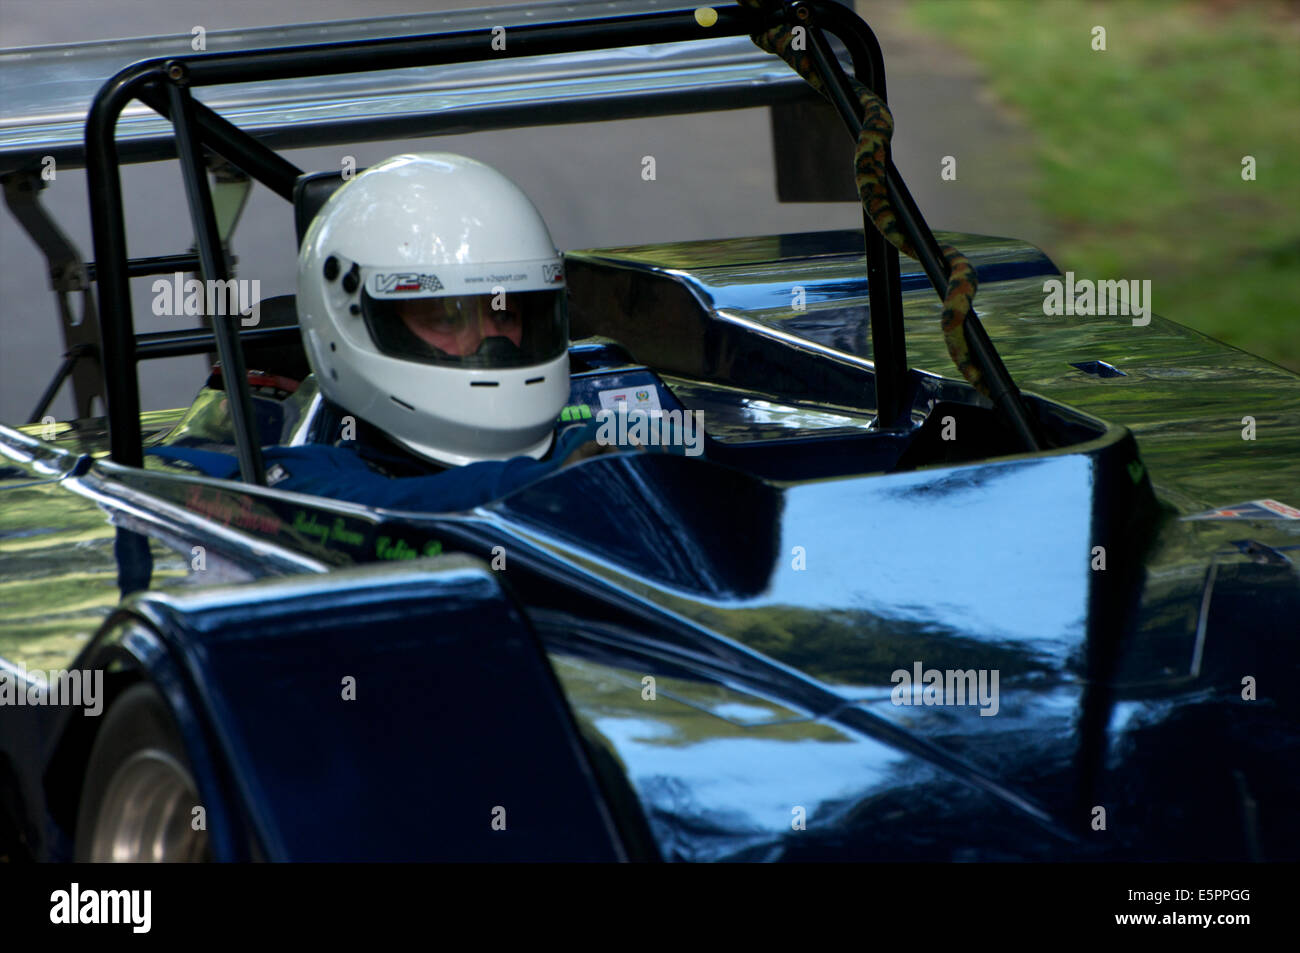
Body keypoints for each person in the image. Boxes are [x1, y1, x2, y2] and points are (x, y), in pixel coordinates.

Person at [151, 152, 614, 509]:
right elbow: (377, 506)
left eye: (507, 316)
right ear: (352, 320)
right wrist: (552, 483)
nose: (488, 344)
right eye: (448, 318)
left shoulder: (594, 430)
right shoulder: (305, 470)